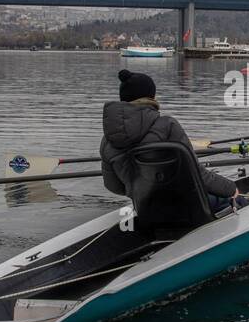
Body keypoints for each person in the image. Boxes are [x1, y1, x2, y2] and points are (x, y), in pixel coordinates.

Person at [99, 68, 239, 213]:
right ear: (151, 97)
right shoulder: (167, 126)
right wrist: (230, 188)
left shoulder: (107, 140)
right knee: (237, 200)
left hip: (146, 211)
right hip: (186, 208)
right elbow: (197, 174)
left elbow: (113, 186)